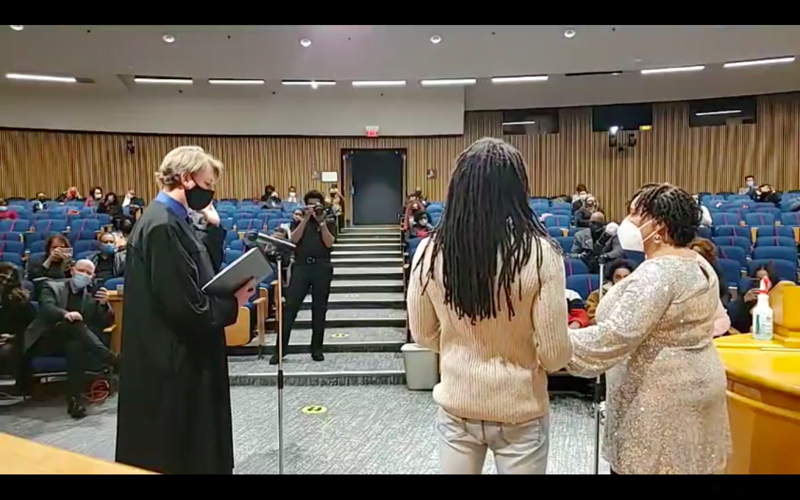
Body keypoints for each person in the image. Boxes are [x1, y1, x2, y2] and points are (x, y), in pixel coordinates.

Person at [408, 137, 572, 475]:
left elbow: (422, 334)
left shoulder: (429, 251)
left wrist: (464, 348)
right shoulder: (541, 253)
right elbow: (555, 356)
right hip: (520, 409)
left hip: (458, 404)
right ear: (517, 189)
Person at [567, 182, 731, 474]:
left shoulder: (659, 273)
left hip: (660, 402)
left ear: (659, 226)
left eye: (635, 214)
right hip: (696, 385)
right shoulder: (697, 262)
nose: (628, 221)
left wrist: (555, 342)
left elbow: (614, 336)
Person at [115, 146, 255, 475]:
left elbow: (199, 271)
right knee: (182, 453)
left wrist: (214, 228)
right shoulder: (162, 225)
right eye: (207, 184)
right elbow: (187, 307)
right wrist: (234, 303)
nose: (210, 193)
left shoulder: (173, 220)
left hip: (181, 355)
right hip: (174, 362)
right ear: (186, 179)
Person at [21, 259, 118, 418]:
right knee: (75, 324)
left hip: (72, 341)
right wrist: (66, 314)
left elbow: (103, 323)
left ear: (93, 277)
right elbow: (46, 308)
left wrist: (103, 305)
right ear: (72, 271)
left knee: (76, 346)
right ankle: (110, 358)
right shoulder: (52, 286)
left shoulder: (91, 296)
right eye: (81, 270)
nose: (84, 275)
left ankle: (75, 400)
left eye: (88, 273)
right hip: (47, 339)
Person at [270, 189, 335, 365]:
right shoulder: (298, 221)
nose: (313, 208)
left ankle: (317, 349)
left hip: (322, 266)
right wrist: (305, 219)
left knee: (319, 310)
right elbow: (293, 240)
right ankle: (280, 351)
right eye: (310, 205)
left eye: (316, 205)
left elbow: (329, 243)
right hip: (301, 266)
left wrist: (321, 223)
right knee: (290, 308)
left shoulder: (328, 220)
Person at [0, 263, 36, 386]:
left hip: (16, 341)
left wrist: (11, 337)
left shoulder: (21, 302)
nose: (3, 283)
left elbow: (30, 330)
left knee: (6, 351)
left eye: (6, 279)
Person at [730, 263, 780, 333]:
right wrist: (743, 302)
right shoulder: (747, 295)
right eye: (757, 280)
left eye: (764, 280)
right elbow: (733, 322)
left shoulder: (779, 297)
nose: (760, 283)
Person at [584, 258, 637, 324]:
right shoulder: (597, 294)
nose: (622, 280)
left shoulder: (637, 294)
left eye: (626, 277)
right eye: (618, 277)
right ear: (612, 278)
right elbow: (592, 317)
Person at [26, 234, 74, 300]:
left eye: (61, 248)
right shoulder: (36, 259)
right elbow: (35, 277)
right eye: (54, 247)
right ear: (48, 248)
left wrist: (66, 264)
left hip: (62, 292)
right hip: (42, 290)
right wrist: (49, 260)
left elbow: (70, 279)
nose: (57, 251)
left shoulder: (69, 262)